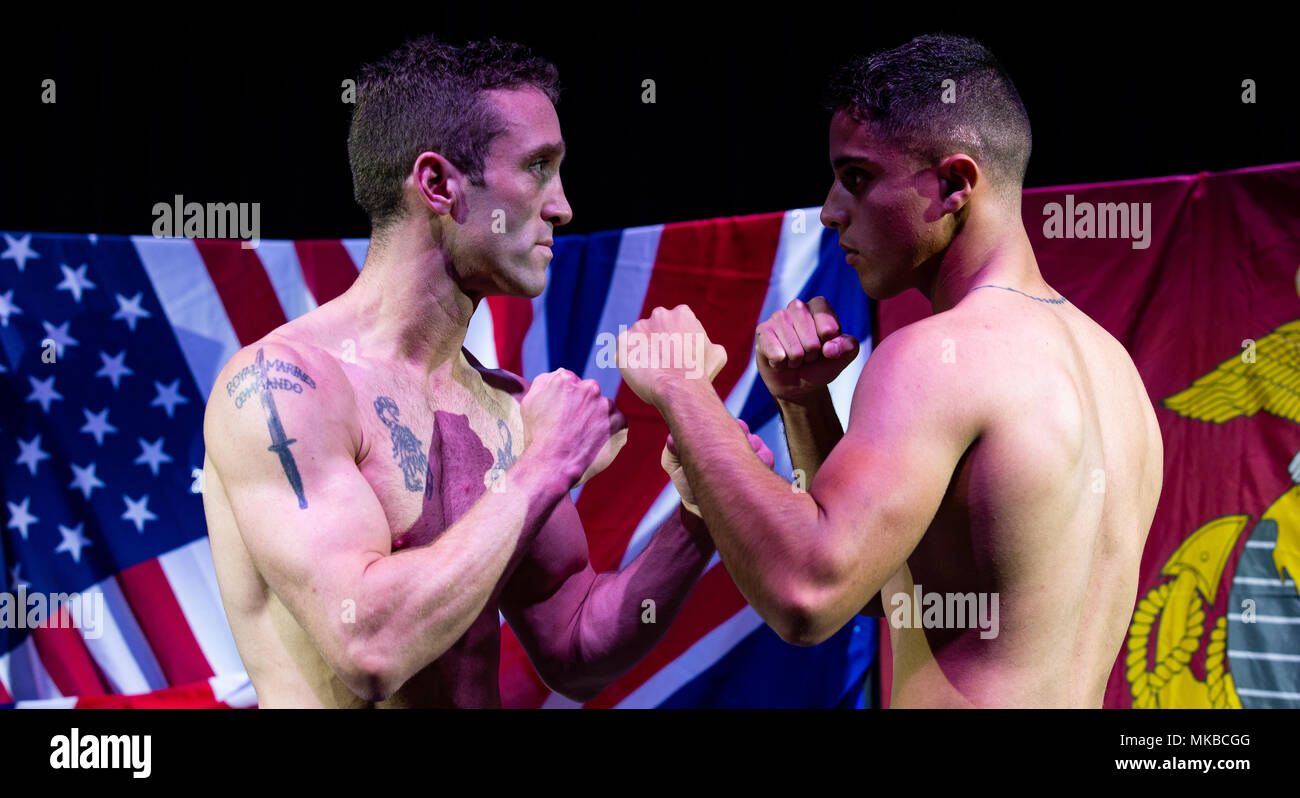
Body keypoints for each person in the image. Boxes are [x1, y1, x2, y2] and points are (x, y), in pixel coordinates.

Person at [200, 35, 770, 708]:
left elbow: (575, 649)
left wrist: (698, 517)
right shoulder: (287, 387)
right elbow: (369, 649)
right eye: (537, 168)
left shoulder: (502, 407)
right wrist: (546, 462)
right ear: (439, 185)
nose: (562, 206)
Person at [621, 34, 1164, 707]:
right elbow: (888, 591)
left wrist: (682, 389)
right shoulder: (1115, 370)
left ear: (953, 185)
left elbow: (807, 597)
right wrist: (804, 405)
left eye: (856, 178)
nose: (829, 210)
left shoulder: (938, 356)